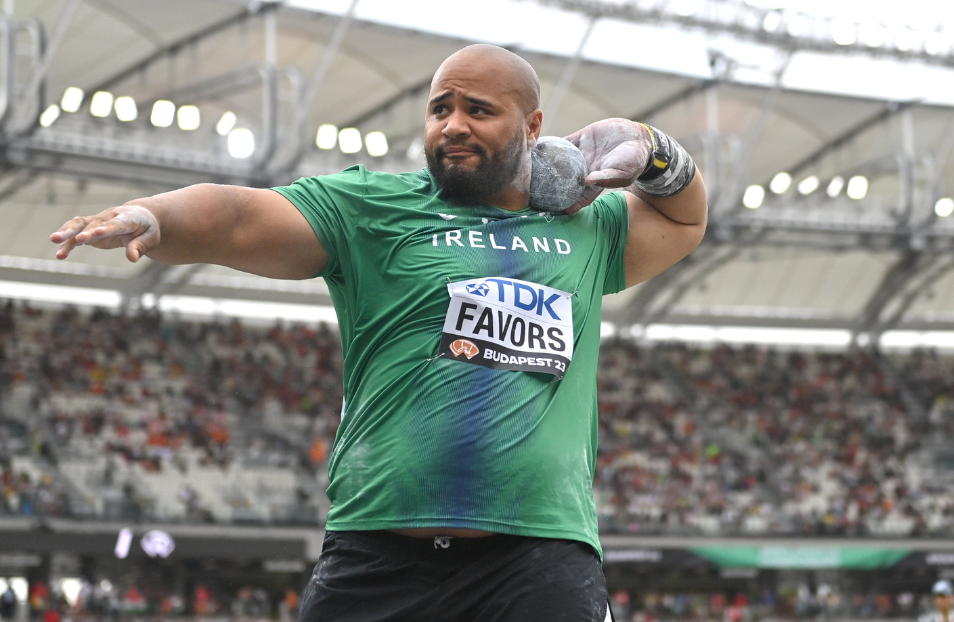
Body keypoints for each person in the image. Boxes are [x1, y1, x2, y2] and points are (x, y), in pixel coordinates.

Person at [50, 44, 707, 621]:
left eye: (478, 109)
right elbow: (238, 216)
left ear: (533, 127)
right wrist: (152, 215)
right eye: (439, 108)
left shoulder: (588, 229)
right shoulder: (372, 207)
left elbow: (684, 221)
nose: (452, 124)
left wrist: (652, 147)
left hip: (540, 559)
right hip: (379, 555)